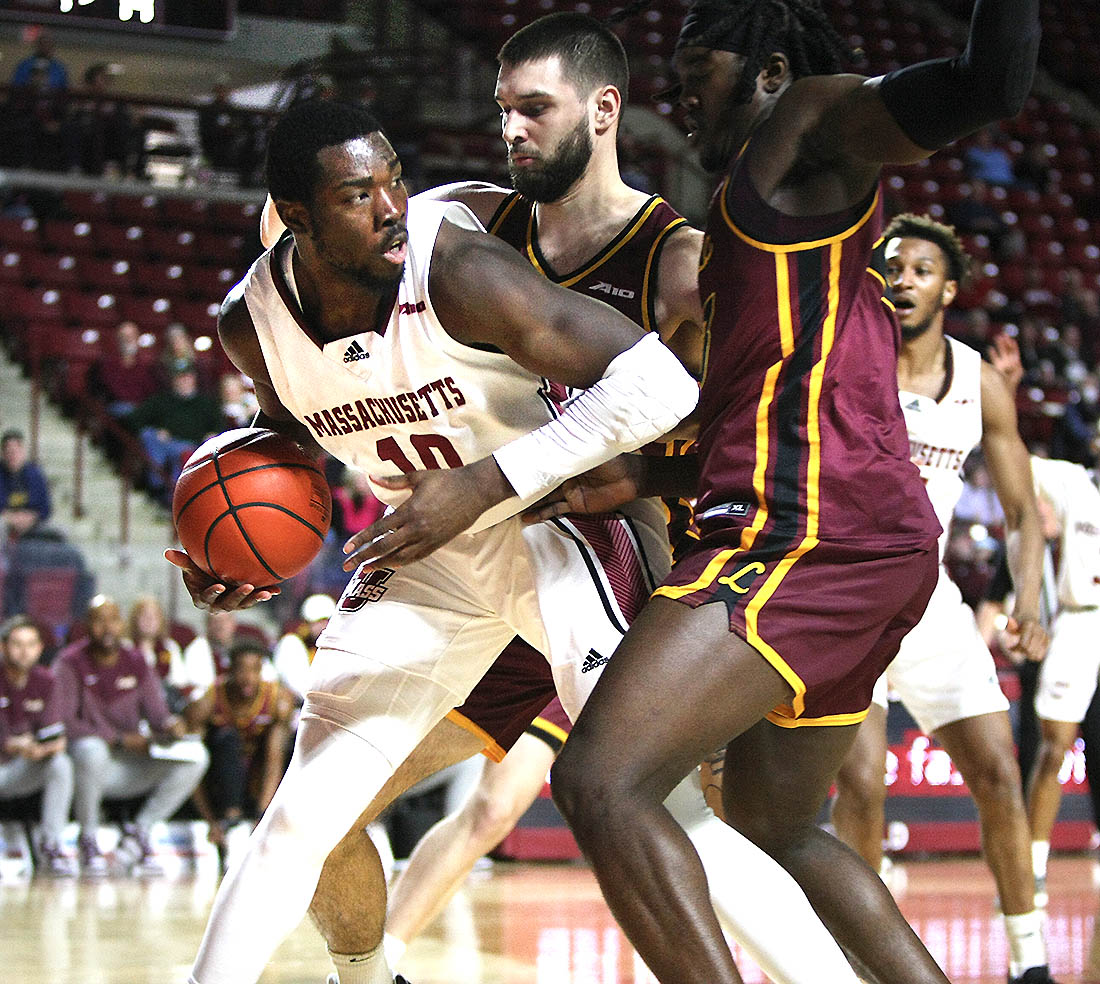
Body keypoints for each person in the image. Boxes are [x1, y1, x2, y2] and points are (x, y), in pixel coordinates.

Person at [439, 1, 1044, 983]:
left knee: (599, 779)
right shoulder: (736, 225)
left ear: (766, 70)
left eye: (699, 70)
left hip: (806, 534)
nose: (680, 93)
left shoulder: (808, 121)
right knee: (773, 822)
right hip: (853, 535)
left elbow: (990, 85)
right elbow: (754, 417)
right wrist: (642, 473)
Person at [256, 18, 864, 984]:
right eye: (504, 111)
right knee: (325, 817)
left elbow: (742, 442)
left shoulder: (678, 261)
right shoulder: (465, 227)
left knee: (707, 821)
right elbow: (296, 246)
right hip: (488, 574)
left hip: (636, 574)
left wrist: (634, 487)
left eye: (534, 109)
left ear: (604, 110)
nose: (513, 130)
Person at [170, 97, 699, 984]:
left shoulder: (452, 265)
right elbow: (290, 439)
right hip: (426, 549)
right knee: (306, 816)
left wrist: (489, 484)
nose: (389, 207)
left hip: (557, 526)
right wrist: (239, 552)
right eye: (356, 193)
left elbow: (660, 388)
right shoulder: (248, 323)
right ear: (294, 218)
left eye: (394, 180)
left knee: (664, 800)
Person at [827, 214, 1050, 977]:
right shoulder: (849, 360)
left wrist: (1031, 602)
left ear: (949, 288)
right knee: (859, 785)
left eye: (922, 268)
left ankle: (1031, 960)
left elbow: (1024, 516)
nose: (904, 278)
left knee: (996, 771)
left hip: (929, 604)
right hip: (848, 602)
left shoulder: (980, 381)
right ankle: (868, 959)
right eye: (893, 266)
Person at [52, 595, 208, 876]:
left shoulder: (136, 661)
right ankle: (88, 837)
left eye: (113, 620)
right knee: (92, 749)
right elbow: (65, 722)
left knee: (197, 758)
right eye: (99, 621)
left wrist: (173, 725)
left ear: (122, 624)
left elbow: (159, 715)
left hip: (129, 764)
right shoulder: (70, 662)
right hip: (85, 767)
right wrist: (118, 739)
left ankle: (140, 832)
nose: (107, 628)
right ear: (87, 626)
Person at [1023, 455, 1100, 903]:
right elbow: (1015, 458)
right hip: (1081, 621)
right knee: (1054, 748)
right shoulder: (1075, 483)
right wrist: (1037, 509)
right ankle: (1031, 864)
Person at [185, 640, 294, 869]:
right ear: (229, 671)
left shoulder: (278, 700)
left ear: (262, 671)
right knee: (226, 739)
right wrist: (210, 820)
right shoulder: (208, 701)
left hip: (258, 784)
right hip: (220, 787)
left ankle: (265, 824)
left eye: (254, 670)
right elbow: (191, 765)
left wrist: (262, 816)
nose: (247, 677)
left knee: (287, 747)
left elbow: (274, 761)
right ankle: (228, 821)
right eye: (241, 670)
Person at [0, 615, 74, 876]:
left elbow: (57, 738)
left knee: (61, 764)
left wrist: (40, 749)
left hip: (21, 767)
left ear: (40, 648)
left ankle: (51, 846)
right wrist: (14, 744)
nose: (24, 651)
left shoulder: (46, 681)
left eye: (31, 644)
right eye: (17, 644)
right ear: (3, 647)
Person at [128, 363, 224, 501]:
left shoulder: (206, 403)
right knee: (149, 435)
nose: (184, 381)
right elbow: (135, 419)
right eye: (180, 378)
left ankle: (172, 496)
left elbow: (219, 426)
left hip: (195, 446)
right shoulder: (161, 400)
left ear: (194, 379)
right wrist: (156, 431)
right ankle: (157, 485)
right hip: (166, 444)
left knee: (185, 454)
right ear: (173, 380)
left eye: (187, 377)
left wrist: (213, 435)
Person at [127, 595, 188, 713]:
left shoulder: (169, 647)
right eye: (144, 616)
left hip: (165, 702)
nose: (149, 621)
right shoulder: (126, 647)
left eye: (154, 617)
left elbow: (179, 680)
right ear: (135, 619)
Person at [0, 428, 51, 538]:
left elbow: (46, 508)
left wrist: (31, 517)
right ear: (3, 454)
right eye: (8, 452)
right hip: (5, 521)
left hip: (31, 521)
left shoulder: (35, 474)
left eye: (16, 451)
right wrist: (11, 518)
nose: (12, 456)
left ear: (23, 451)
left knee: (60, 532)